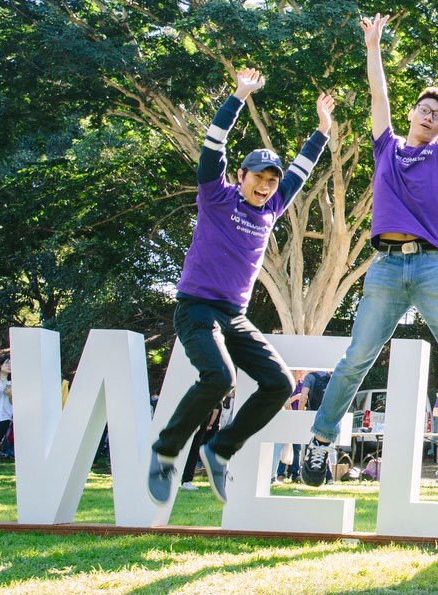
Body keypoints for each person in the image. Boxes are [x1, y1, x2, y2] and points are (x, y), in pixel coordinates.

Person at [302, 16, 438, 487]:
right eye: (424, 109)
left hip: (431, 266)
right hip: (384, 268)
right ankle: (319, 444)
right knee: (357, 357)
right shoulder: (387, 148)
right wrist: (373, 45)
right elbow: (379, 95)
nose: (430, 116)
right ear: (413, 113)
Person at [144, 67, 333, 505]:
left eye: (271, 181)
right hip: (196, 310)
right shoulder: (216, 195)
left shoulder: (272, 209)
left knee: (280, 384)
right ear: (241, 177)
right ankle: (166, 450)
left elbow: (300, 172)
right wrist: (238, 96)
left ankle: (220, 449)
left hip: (234, 317)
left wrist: (321, 132)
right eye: (258, 178)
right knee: (219, 376)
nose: (266, 186)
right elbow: (214, 146)